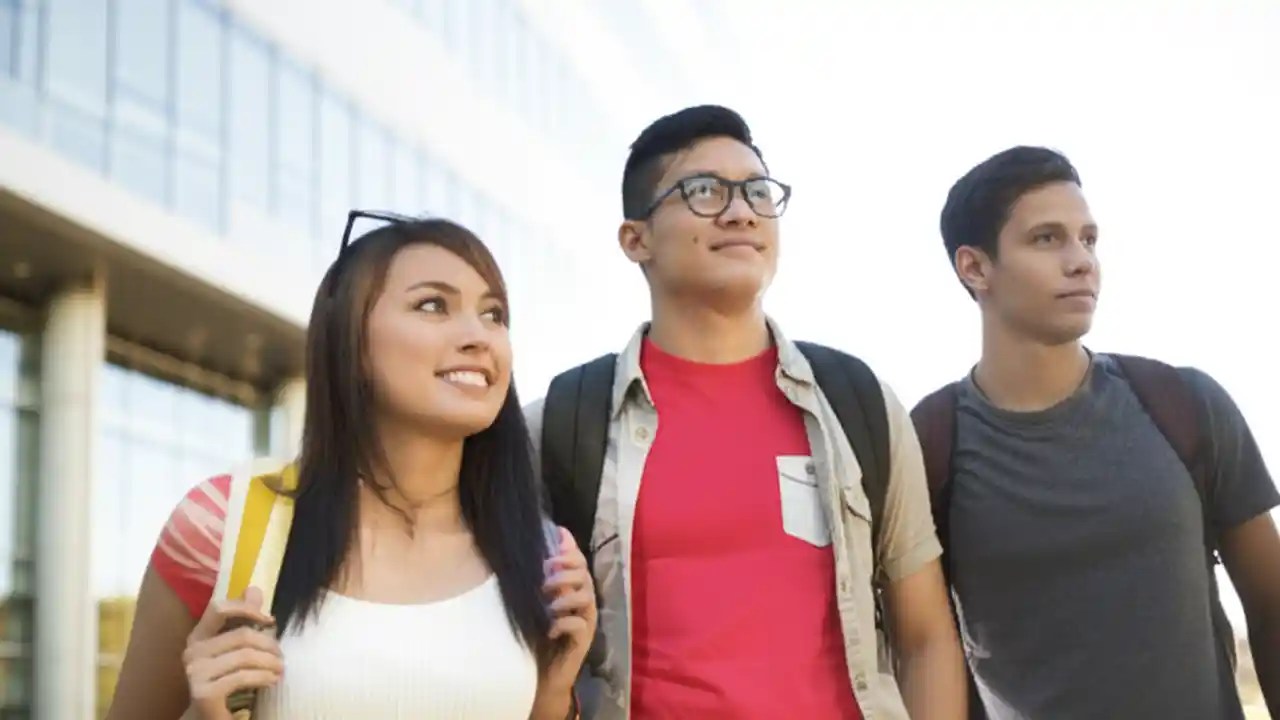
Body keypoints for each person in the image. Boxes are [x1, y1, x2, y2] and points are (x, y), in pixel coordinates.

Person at [524, 105, 967, 719]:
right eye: (703, 191)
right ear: (636, 239)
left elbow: (924, 637)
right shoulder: (561, 425)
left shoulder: (856, 403)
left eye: (757, 191)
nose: (741, 211)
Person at [107, 215, 597, 720]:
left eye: (494, 315)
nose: (480, 336)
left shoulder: (544, 556)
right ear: (351, 341)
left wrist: (554, 693)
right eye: (433, 305)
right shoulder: (223, 524)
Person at [911, 145, 1280, 719]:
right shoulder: (927, 446)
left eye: (1088, 238)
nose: (1081, 260)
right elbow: (917, 648)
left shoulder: (1185, 405)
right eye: (1047, 238)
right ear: (974, 267)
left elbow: (1272, 607)